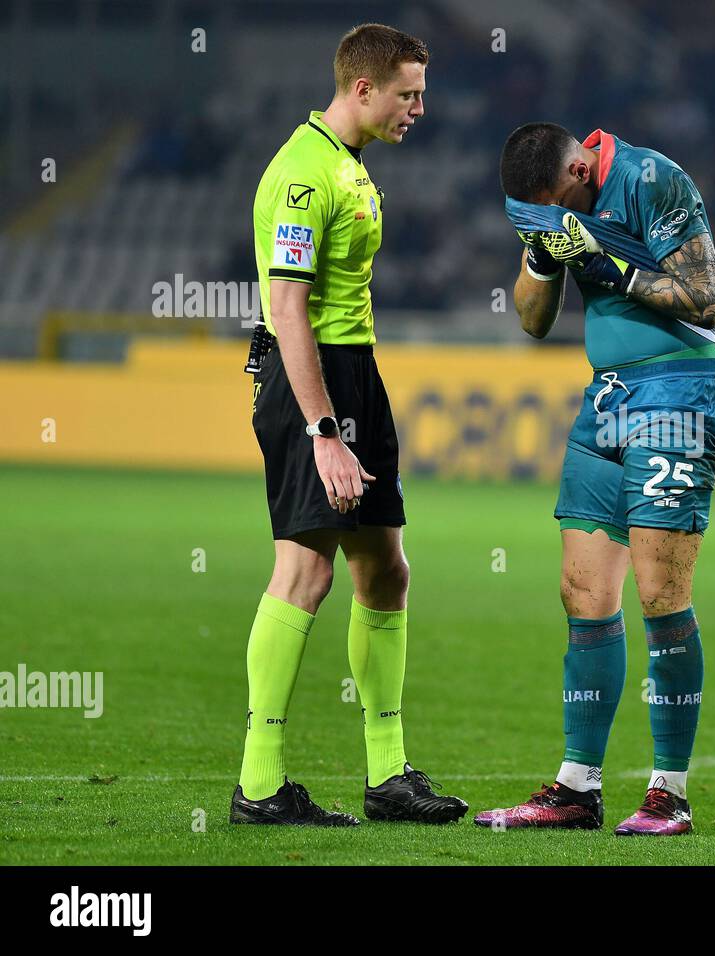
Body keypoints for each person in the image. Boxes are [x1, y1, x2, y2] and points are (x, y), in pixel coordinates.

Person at [231, 23, 467, 827]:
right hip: (315, 384)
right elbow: (288, 310)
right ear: (362, 89)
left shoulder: (349, 166)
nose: (419, 108)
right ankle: (259, 784)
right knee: (306, 573)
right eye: (408, 94)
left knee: (386, 571)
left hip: (354, 376)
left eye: (422, 94)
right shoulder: (303, 176)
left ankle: (387, 776)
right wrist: (324, 429)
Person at [475, 123, 715, 835]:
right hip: (607, 400)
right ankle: (577, 787)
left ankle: (669, 793)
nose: (560, 218)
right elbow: (532, 321)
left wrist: (611, 266)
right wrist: (541, 249)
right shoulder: (555, 208)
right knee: (584, 592)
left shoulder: (653, 180)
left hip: (679, 396)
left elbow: (708, 299)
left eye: (560, 206)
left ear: (582, 170)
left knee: (659, 591)